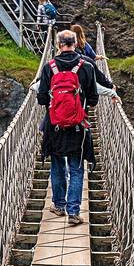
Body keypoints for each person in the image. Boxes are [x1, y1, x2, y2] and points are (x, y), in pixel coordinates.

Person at [36, 29, 98, 224]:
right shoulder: (86, 66)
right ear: (75, 44)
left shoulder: (49, 67)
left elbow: (42, 98)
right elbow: (94, 99)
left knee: (57, 166)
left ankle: (59, 205)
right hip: (78, 128)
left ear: (58, 45)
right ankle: (73, 212)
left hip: (54, 127)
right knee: (77, 168)